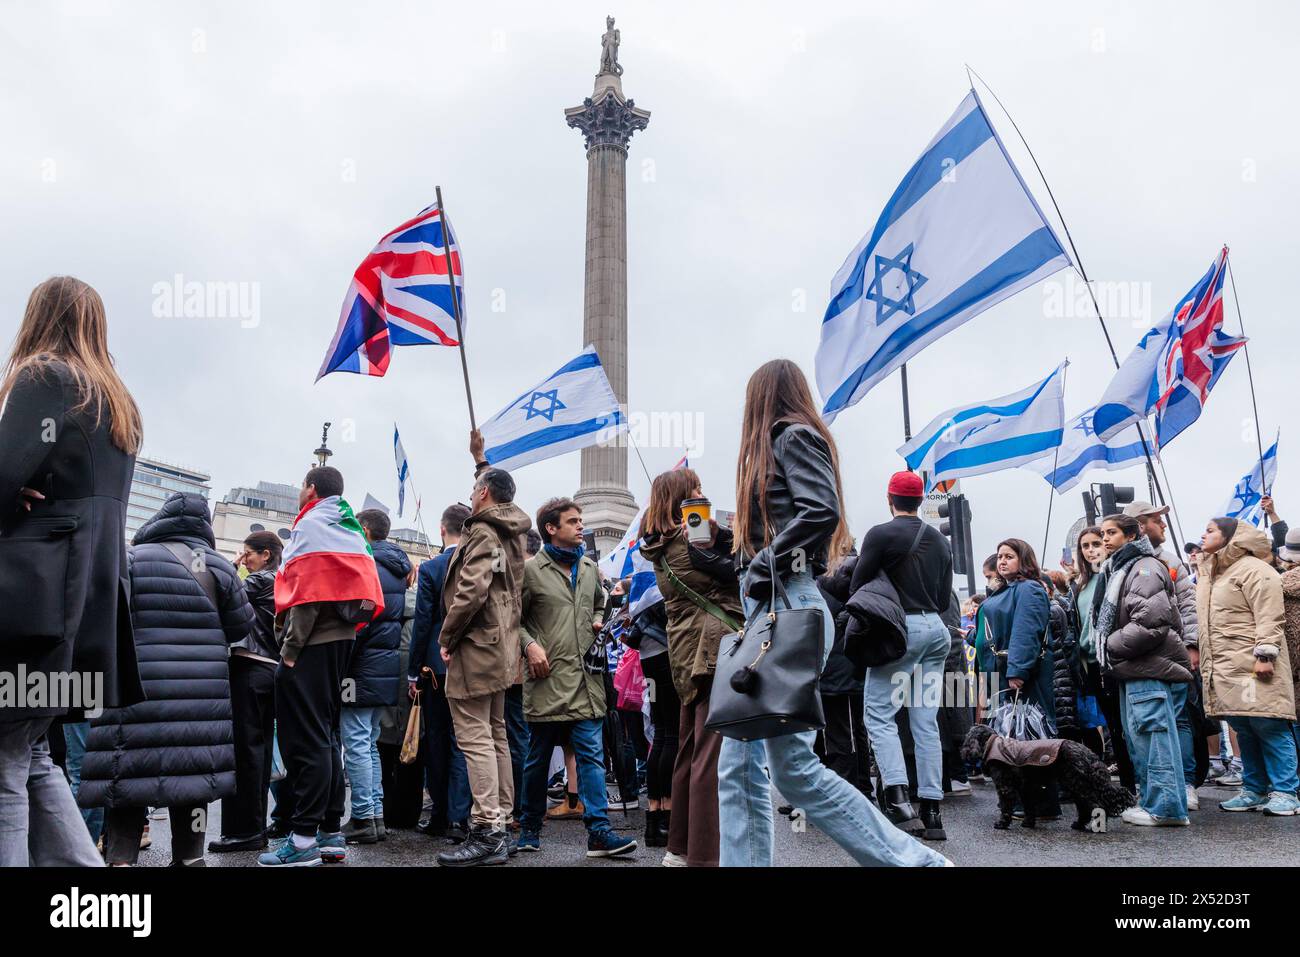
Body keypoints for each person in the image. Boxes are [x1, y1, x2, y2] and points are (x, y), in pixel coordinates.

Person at [720, 359, 948, 867]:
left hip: (787, 603)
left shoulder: (790, 434)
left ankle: (920, 863)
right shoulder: (792, 439)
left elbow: (820, 510)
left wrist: (761, 563)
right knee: (743, 766)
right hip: (781, 603)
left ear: (761, 397)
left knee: (788, 767)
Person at [0, 276, 145, 867]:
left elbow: (4, 473)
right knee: (29, 753)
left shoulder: (46, 377)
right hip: (84, 607)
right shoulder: (115, 398)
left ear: (38, 315)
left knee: (7, 760)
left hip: (35, 599)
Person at [80, 492, 253, 865]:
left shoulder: (131, 558)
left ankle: (120, 861)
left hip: (135, 690)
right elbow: (242, 625)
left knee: (126, 781)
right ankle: (191, 859)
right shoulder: (218, 567)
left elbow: (105, 615)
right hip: (200, 698)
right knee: (192, 784)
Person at [258, 467, 384, 867]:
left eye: (301, 485)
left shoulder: (313, 523)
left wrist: (290, 652)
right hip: (343, 639)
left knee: (305, 740)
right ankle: (330, 832)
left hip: (311, 644)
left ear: (311, 489)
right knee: (327, 736)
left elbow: (306, 596)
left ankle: (302, 838)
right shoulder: (346, 523)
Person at [514, 497, 636, 858]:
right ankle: (530, 826)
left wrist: (600, 618)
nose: (581, 526)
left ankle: (599, 831)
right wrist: (530, 645)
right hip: (547, 678)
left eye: (581, 520)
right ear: (551, 528)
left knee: (592, 758)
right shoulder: (530, 570)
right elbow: (512, 621)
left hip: (586, 680)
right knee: (537, 759)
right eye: (572, 521)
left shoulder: (587, 567)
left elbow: (598, 602)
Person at [435, 435, 530, 867]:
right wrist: (480, 461)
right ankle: (501, 822)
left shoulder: (485, 532)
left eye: (476, 488)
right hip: (501, 646)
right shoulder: (508, 529)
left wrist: (447, 635)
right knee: (494, 736)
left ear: (484, 494)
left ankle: (488, 827)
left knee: (475, 738)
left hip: (477, 645)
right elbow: (494, 494)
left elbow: (472, 589)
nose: (471, 495)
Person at [640, 466, 740, 867]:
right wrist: (720, 535)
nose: (702, 493)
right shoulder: (693, 541)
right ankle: (704, 855)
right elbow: (740, 569)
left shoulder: (659, 547)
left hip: (686, 652)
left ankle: (679, 847)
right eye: (695, 489)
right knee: (710, 755)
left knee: (689, 748)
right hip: (714, 647)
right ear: (681, 499)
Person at [850, 470, 954, 839]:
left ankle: (896, 797)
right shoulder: (940, 542)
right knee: (925, 721)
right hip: (936, 633)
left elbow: (857, 583)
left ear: (889, 498)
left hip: (901, 633)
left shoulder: (880, 534)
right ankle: (932, 810)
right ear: (920, 499)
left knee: (879, 713)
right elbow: (944, 600)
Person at [1091, 513, 1193, 827]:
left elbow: (1151, 622)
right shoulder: (1122, 568)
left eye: (1112, 533)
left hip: (1146, 667)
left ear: (1132, 536)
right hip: (1133, 668)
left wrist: (1107, 644)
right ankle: (1155, 804)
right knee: (1142, 740)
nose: (1105, 539)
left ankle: (1166, 808)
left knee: (1154, 736)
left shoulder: (1143, 568)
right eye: (1103, 533)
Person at [1197, 517, 1299, 816]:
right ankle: (1254, 789)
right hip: (1226, 665)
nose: (1204, 535)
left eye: (1210, 530)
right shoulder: (1212, 572)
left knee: (1269, 724)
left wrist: (1265, 656)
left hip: (1253, 665)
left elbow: (1270, 614)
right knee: (1244, 727)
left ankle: (1286, 792)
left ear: (1230, 536)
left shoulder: (1255, 570)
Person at [339, 508, 412, 844]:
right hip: (383, 666)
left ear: (364, 530)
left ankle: (363, 817)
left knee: (355, 743)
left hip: (361, 666)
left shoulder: (371, 565)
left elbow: (361, 619)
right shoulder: (396, 568)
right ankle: (375, 814)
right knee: (367, 743)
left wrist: (342, 659)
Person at [210, 530, 283, 853]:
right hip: (268, 669)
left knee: (246, 752)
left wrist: (233, 566)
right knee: (259, 751)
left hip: (251, 667)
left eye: (248, 553)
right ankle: (252, 827)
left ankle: (245, 831)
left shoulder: (260, 580)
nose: (245, 558)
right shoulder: (277, 579)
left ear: (265, 554)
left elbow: (222, 592)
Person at [1125, 501, 1200, 808]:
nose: (1164, 525)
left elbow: (1187, 605)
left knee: (1179, 719)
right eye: (1158, 520)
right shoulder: (1123, 563)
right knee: (1145, 723)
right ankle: (1151, 785)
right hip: (1140, 657)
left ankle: (1186, 784)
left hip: (1173, 653)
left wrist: (1192, 644)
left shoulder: (1171, 561)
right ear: (1141, 526)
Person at [409, 504, 472, 842]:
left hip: (436, 664)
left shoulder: (433, 567)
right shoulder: (477, 565)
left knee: (436, 742)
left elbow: (422, 623)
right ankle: (461, 818)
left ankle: (440, 816)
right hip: (473, 661)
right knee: (465, 742)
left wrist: (412, 671)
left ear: (442, 529)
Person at [1065, 526, 1128, 775]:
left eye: (1096, 544)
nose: (1091, 550)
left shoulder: (1115, 575)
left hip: (1114, 660)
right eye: (1085, 546)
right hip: (1089, 663)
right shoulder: (1081, 584)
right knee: (1111, 725)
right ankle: (1125, 784)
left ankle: (1130, 782)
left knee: (1123, 725)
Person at [626, 596, 678, 850]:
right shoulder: (667, 562)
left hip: (648, 651)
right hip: (665, 647)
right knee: (672, 733)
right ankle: (666, 817)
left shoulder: (643, 562)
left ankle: (654, 819)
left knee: (661, 732)